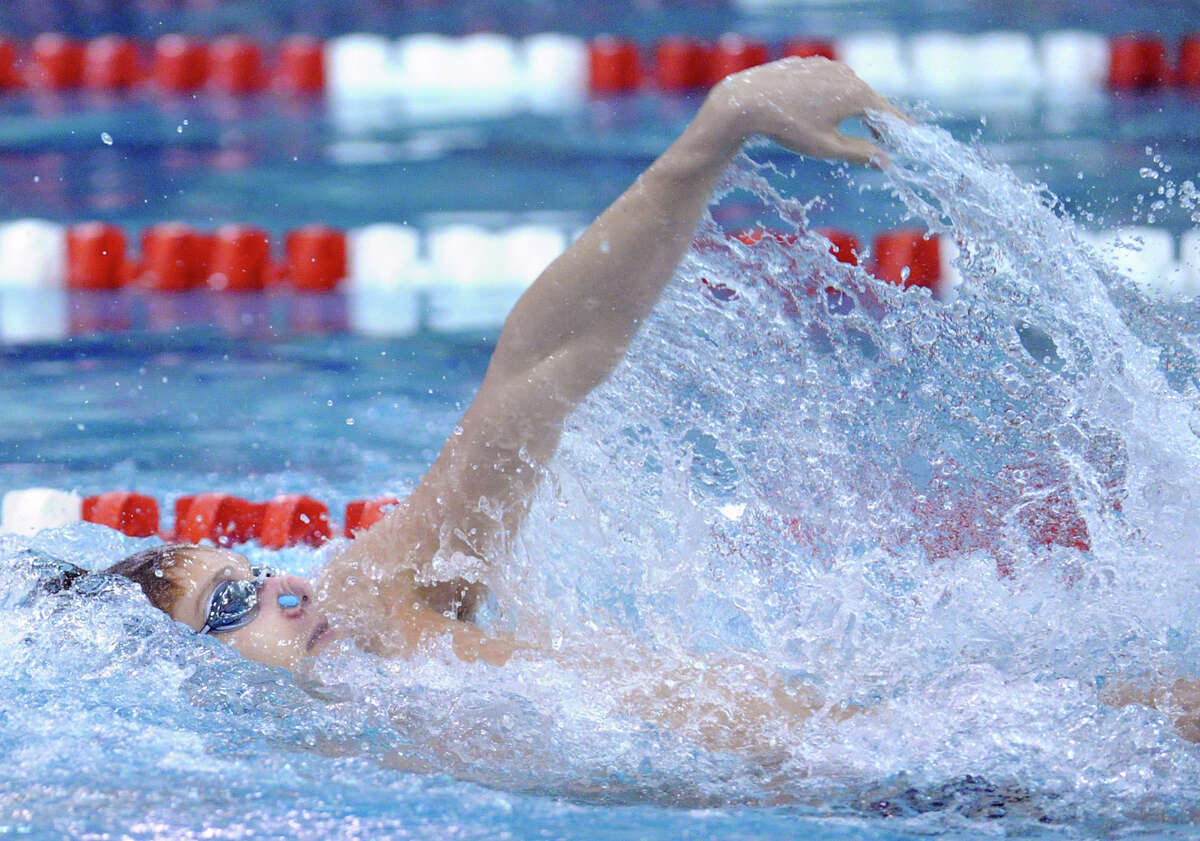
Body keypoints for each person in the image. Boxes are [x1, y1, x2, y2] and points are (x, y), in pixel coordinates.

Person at [88, 58, 896, 754]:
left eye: (257, 573)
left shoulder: (375, 606)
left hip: (886, 773)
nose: (287, 593)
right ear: (182, 676)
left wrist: (714, 134)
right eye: (231, 605)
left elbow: (538, 369)